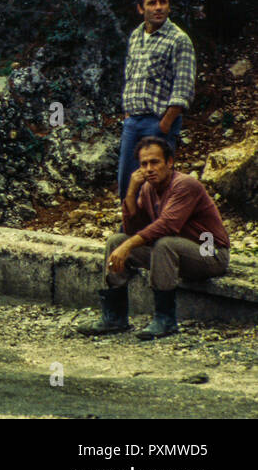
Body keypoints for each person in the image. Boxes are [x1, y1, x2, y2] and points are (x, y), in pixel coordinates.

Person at [79, 136, 229, 340]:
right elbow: (134, 229)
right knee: (116, 241)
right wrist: (131, 193)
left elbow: (167, 225)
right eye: (144, 164)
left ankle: (165, 319)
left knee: (164, 244)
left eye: (155, 162)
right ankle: (114, 317)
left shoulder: (185, 185)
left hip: (210, 252)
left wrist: (129, 245)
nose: (149, 169)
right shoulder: (148, 189)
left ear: (169, 162)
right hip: (178, 252)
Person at [117, 0, 196, 217]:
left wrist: (165, 124)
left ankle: (153, 236)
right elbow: (130, 75)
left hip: (158, 122)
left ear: (169, 7)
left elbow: (184, 88)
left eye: (163, 2)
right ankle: (130, 231)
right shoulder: (135, 36)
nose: (159, 7)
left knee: (155, 184)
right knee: (127, 180)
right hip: (133, 122)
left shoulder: (178, 40)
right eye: (152, 3)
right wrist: (128, 113)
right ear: (141, 9)